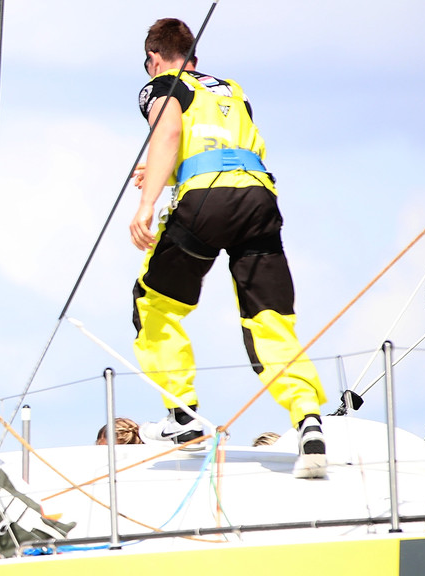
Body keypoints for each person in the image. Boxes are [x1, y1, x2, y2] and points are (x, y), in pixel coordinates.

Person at [129, 17, 328, 478]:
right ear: (196, 59)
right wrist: (166, 171)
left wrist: (147, 202)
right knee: (269, 318)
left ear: (154, 59)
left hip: (207, 201)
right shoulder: (232, 91)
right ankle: (308, 419)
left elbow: (170, 133)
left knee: (153, 303)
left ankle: (184, 418)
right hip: (258, 197)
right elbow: (221, 147)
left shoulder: (163, 84)